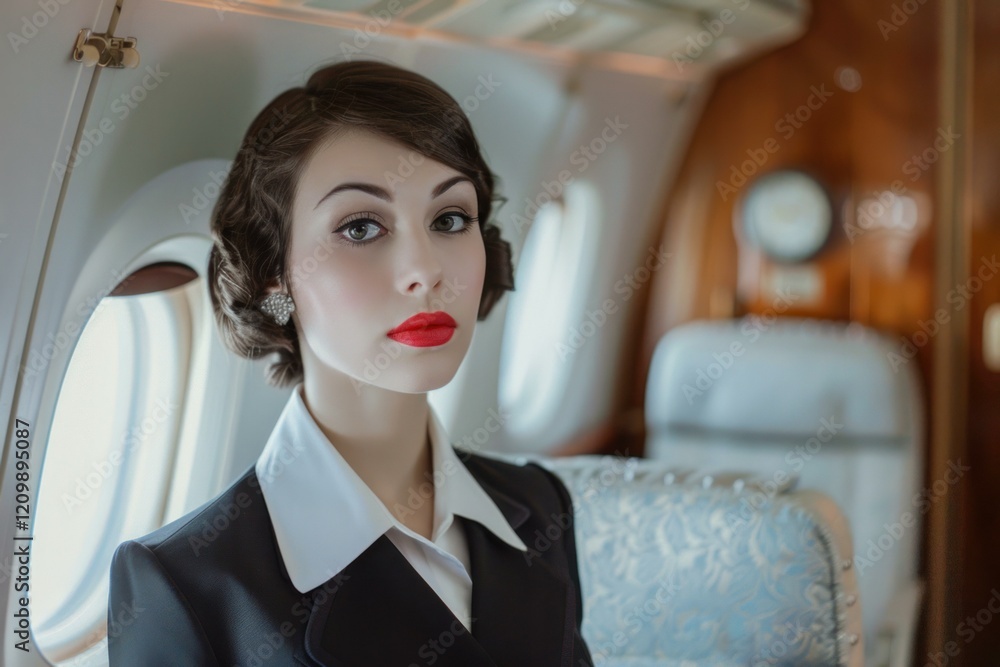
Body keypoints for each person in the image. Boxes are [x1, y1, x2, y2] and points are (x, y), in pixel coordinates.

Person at [107, 59, 595, 667]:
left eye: (449, 219)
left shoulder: (539, 506)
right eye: (362, 227)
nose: (425, 271)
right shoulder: (187, 583)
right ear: (272, 277)